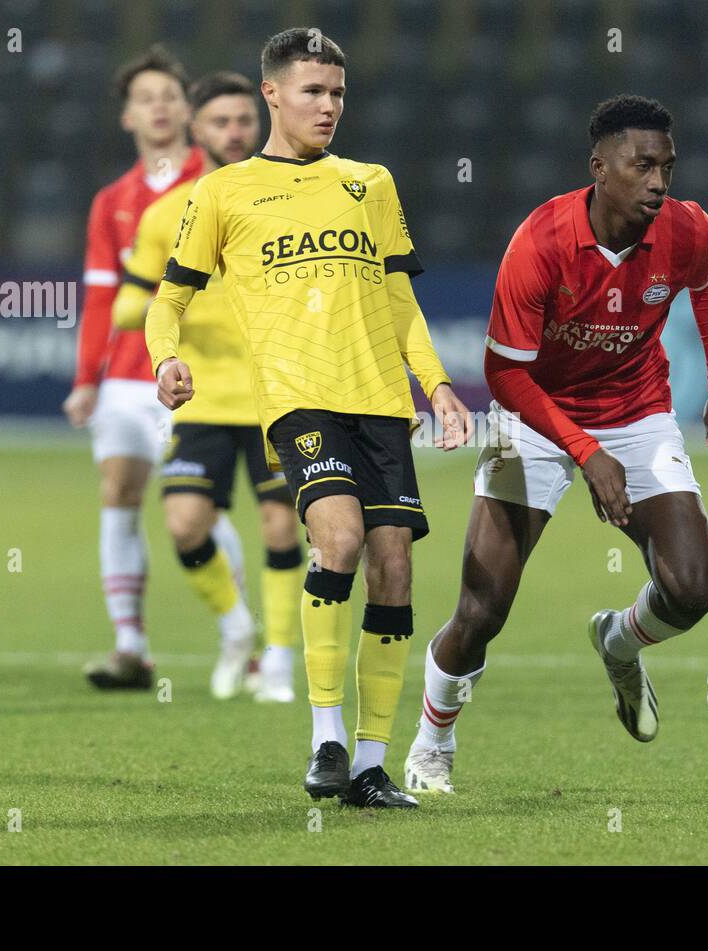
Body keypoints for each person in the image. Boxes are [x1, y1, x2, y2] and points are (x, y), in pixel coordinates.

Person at [146, 29, 472, 808]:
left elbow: (399, 299)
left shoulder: (371, 183)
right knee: (342, 539)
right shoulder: (224, 192)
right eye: (313, 93)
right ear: (272, 95)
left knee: (394, 569)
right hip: (299, 401)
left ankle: (367, 763)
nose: (329, 107)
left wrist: (437, 384)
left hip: (381, 405)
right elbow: (171, 296)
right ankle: (325, 735)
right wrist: (166, 358)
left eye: (338, 94)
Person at [403, 95, 708, 795]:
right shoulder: (541, 242)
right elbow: (504, 375)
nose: (659, 181)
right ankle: (432, 740)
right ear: (599, 166)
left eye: (668, 167)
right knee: (482, 609)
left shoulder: (685, 230)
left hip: (637, 413)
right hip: (531, 419)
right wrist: (585, 454)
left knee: (692, 589)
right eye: (642, 165)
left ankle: (619, 640)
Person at [114, 71, 305, 702]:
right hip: (204, 396)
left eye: (243, 120)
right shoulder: (170, 214)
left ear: (259, 123)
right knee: (185, 525)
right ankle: (234, 626)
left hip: (278, 396)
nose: (234, 132)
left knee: (283, 528)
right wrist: (166, 329)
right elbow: (134, 303)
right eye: (219, 122)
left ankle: (278, 658)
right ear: (196, 129)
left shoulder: (291, 202)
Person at [66, 45, 206, 690]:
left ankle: (245, 643)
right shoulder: (111, 201)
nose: (158, 107)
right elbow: (99, 297)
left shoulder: (219, 183)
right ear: (127, 117)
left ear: (187, 109)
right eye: (145, 98)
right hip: (126, 375)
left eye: (169, 96)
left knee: (198, 510)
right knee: (119, 496)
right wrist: (85, 379)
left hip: (202, 371)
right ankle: (130, 647)